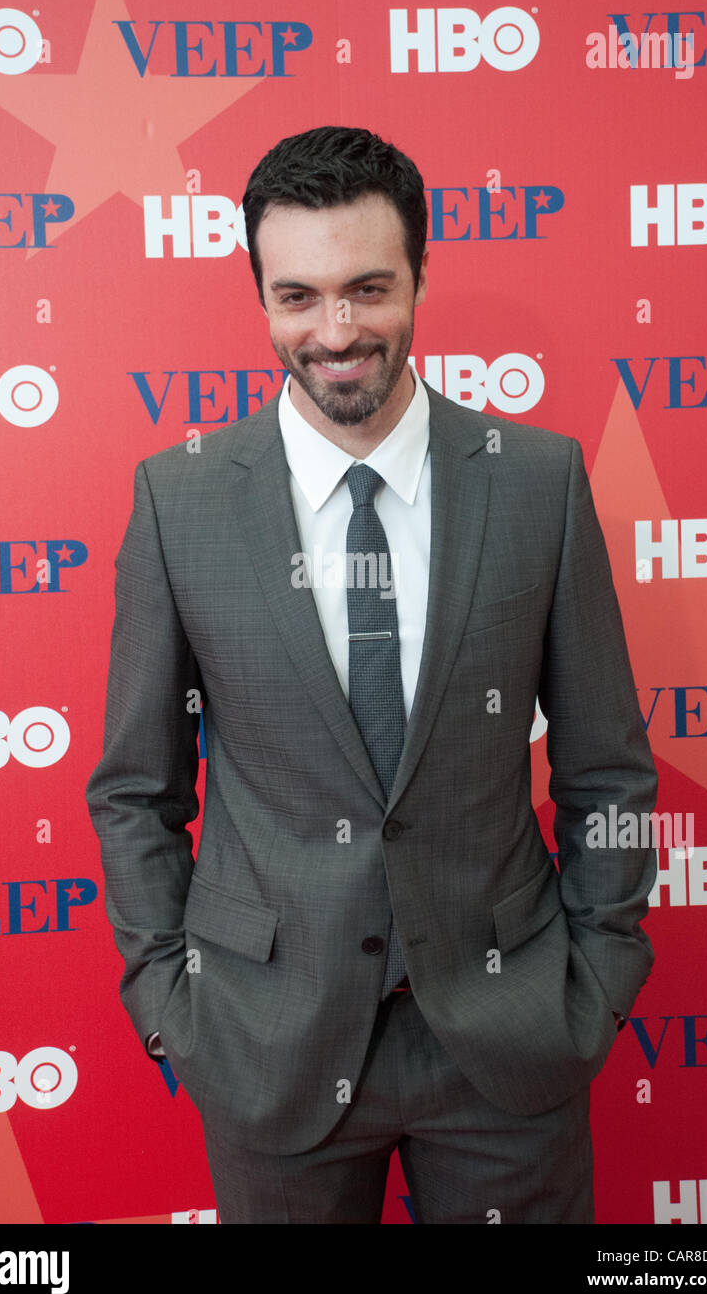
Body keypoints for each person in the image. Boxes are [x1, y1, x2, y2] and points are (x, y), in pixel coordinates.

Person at [86, 125, 657, 1224]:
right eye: (297, 296)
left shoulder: (535, 483)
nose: (335, 330)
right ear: (260, 299)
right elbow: (135, 791)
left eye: (367, 289)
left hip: (507, 1038)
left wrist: (598, 978)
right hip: (266, 1040)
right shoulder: (178, 502)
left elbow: (608, 771)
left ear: (421, 278)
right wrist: (170, 1002)